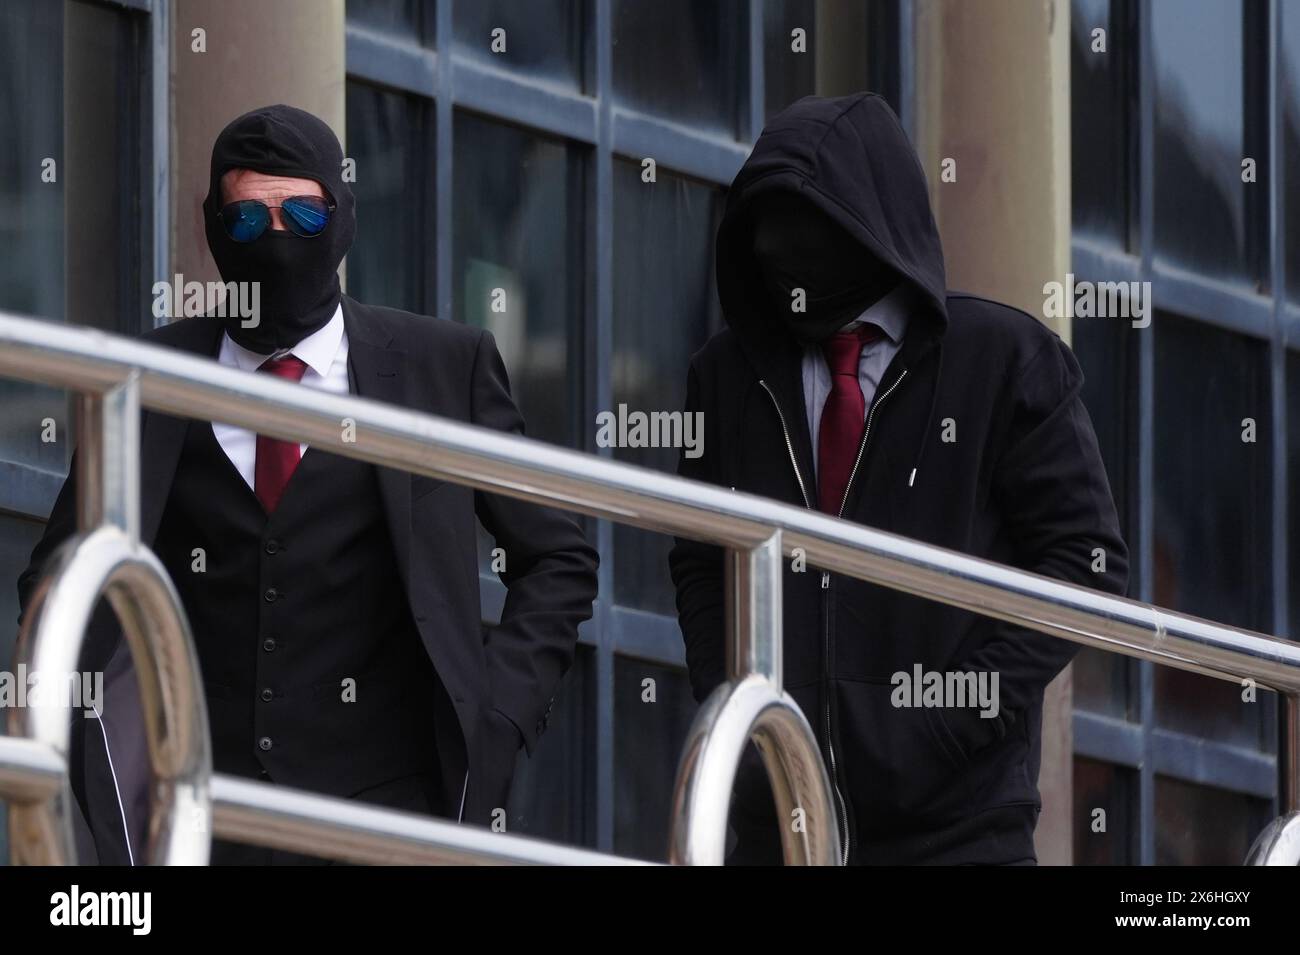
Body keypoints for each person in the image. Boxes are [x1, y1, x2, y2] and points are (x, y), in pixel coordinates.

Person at [16, 104, 598, 865]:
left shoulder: (441, 369)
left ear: (342, 218)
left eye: (301, 213)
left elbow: (557, 555)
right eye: (249, 221)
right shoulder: (145, 379)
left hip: (388, 821)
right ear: (214, 230)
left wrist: (499, 717)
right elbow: (58, 579)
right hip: (195, 820)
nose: (277, 239)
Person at [668, 92, 1128, 865]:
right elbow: (699, 557)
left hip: (959, 839)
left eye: (805, 219)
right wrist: (741, 709)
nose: (783, 249)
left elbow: (1087, 567)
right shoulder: (727, 376)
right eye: (766, 223)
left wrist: (944, 717)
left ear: (868, 217)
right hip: (777, 826)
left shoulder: (1003, 362)